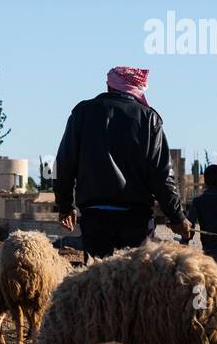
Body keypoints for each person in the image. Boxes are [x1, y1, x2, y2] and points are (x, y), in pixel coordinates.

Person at [54, 66, 192, 259]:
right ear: (138, 89)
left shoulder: (82, 113)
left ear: (109, 86)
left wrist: (65, 206)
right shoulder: (149, 118)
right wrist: (177, 217)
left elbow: (63, 164)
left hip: (94, 218)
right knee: (134, 282)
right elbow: (161, 176)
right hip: (136, 219)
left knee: (99, 282)